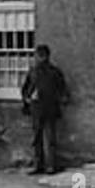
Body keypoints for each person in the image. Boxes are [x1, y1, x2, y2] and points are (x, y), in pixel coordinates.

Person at [21, 44, 69, 174]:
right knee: (37, 138)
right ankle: (38, 164)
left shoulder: (54, 72)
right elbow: (26, 88)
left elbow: (62, 88)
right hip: (36, 108)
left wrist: (62, 98)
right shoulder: (33, 72)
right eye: (38, 55)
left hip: (50, 108)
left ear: (47, 56)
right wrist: (27, 98)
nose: (39, 58)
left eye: (42, 56)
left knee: (50, 138)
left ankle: (51, 165)